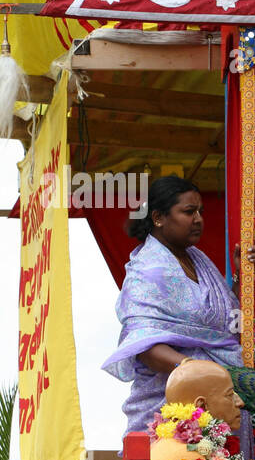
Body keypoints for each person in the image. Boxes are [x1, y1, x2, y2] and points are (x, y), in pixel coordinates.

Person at [103, 176, 243, 440]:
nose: (199, 219)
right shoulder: (147, 271)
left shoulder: (197, 260)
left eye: (200, 211)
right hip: (168, 404)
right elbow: (142, 344)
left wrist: (240, 275)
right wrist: (193, 369)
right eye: (189, 212)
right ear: (158, 217)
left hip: (223, 397)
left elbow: (228, 322)